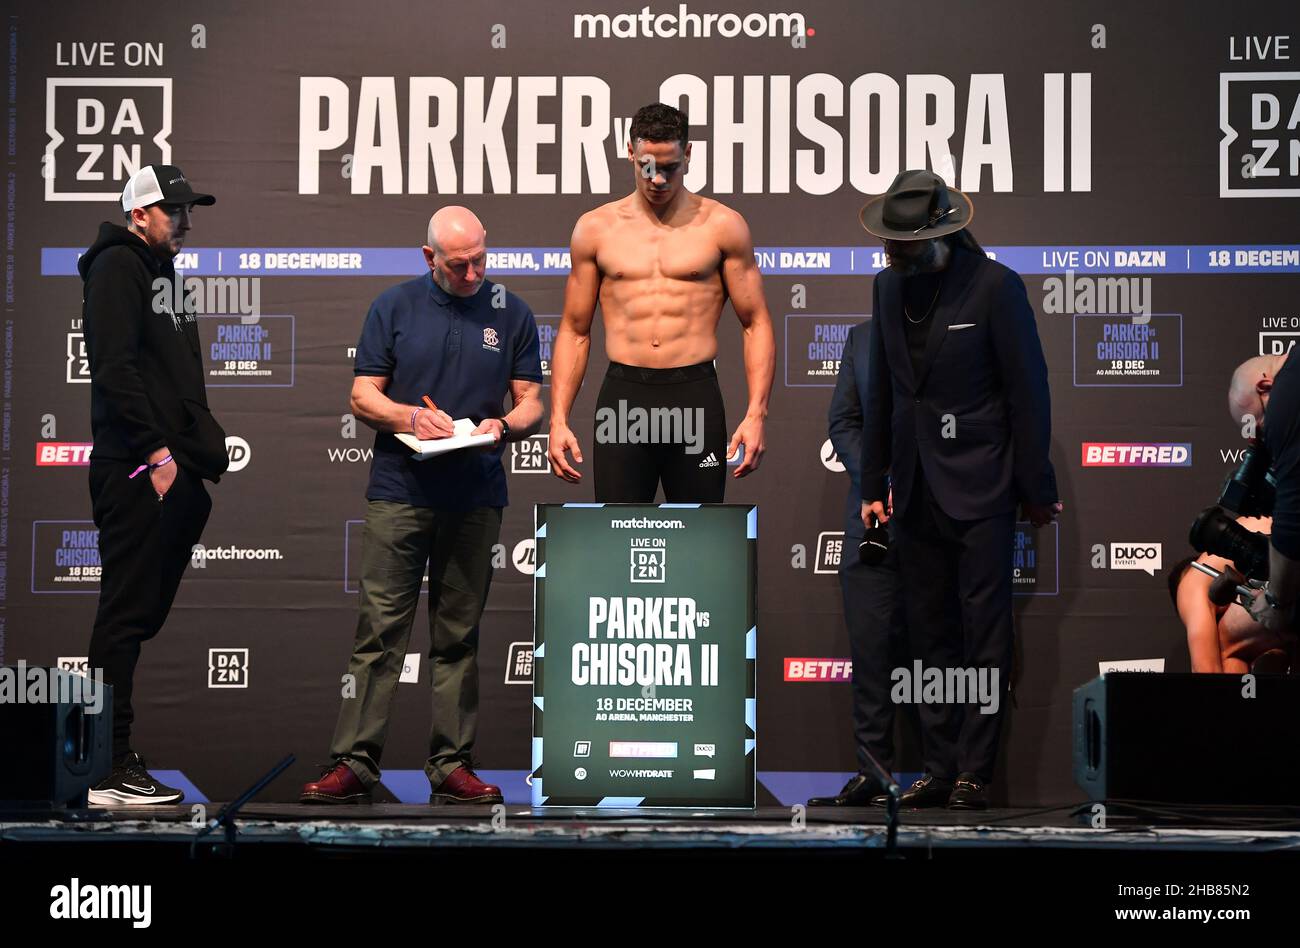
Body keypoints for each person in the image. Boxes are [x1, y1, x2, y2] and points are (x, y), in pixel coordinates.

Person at [301, 207, 543, 805]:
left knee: (458, 637)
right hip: (400, 493)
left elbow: (533, 401)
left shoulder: (511, 311)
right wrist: (411, 417)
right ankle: (354, 762)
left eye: (481, 259)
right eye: (459, 263)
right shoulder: (394, 306)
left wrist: (503, 426)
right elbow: (362, 396)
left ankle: (451, 763)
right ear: (428, 257)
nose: (472, 272)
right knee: (379, 633)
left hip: (477, 494)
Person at [858, 170, 1061, 810]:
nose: (892, 253)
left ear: (943, 234)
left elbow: (1028, 392)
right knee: (928, 635)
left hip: (983, 484)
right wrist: (873, 481)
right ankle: (938, 766)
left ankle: (976, 770)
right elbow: (886, 394)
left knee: (985, 633)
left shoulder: (997, 287)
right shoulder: (887, 289)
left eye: (905, 244)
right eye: (890, 243)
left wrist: (1034, 484)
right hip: (914, 487)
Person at [82, 164, 226, 805]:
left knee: (137, 615)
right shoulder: (118, 268)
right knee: (124, 614)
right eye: (176, 211)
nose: (186, 222)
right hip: (140, 469)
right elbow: (113, 368)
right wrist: (159, 453)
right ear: (139, 214)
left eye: (190, 210)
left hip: (172, 468)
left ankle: (109, 755)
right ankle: (104, 766)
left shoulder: (162, 273)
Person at [547, 102, 775, 502]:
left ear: (688, 154)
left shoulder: (722, 225)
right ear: (630, 152)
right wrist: (559, 418)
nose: (657, 179)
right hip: (624, 398)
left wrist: (756, 413)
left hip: (695, 398)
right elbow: (575, 329)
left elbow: (755, 321)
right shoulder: (596, 228)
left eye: (670, 167)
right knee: (618, 538)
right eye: (648, 166)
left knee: (700, 541)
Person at [807, 321, 917, 807]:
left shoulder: (964, 329)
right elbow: (844, 422)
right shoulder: (863, 338)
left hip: (945, 514)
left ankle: (949, 773)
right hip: (871, 521)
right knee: (871, 653)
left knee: (948, 652)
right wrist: (880, 480)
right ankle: (873, 772)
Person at [1170, 516, 1292, 673]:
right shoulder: (1236, 539)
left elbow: (1206, 669)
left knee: (1221, 644)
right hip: (1288, 535)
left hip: (1283, 567)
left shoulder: (1189, 582)